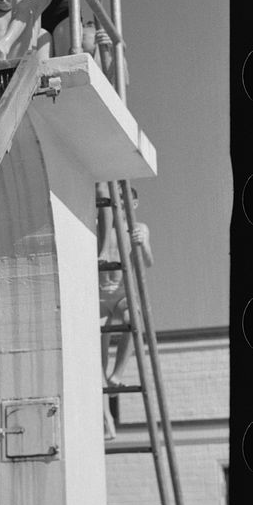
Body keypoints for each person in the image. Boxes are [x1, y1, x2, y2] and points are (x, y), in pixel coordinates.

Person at [98, 186, 153, 438]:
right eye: (116, 199)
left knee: (135, 319)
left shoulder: (138, 228)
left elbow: (148, 263)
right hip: (99, 294)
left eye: (124, 200)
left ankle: (117, 374)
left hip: (120, 294)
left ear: (134, 204)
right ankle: (106, 417)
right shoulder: (101, 225)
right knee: (95, 355)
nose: (119, 203)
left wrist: (142, 245)